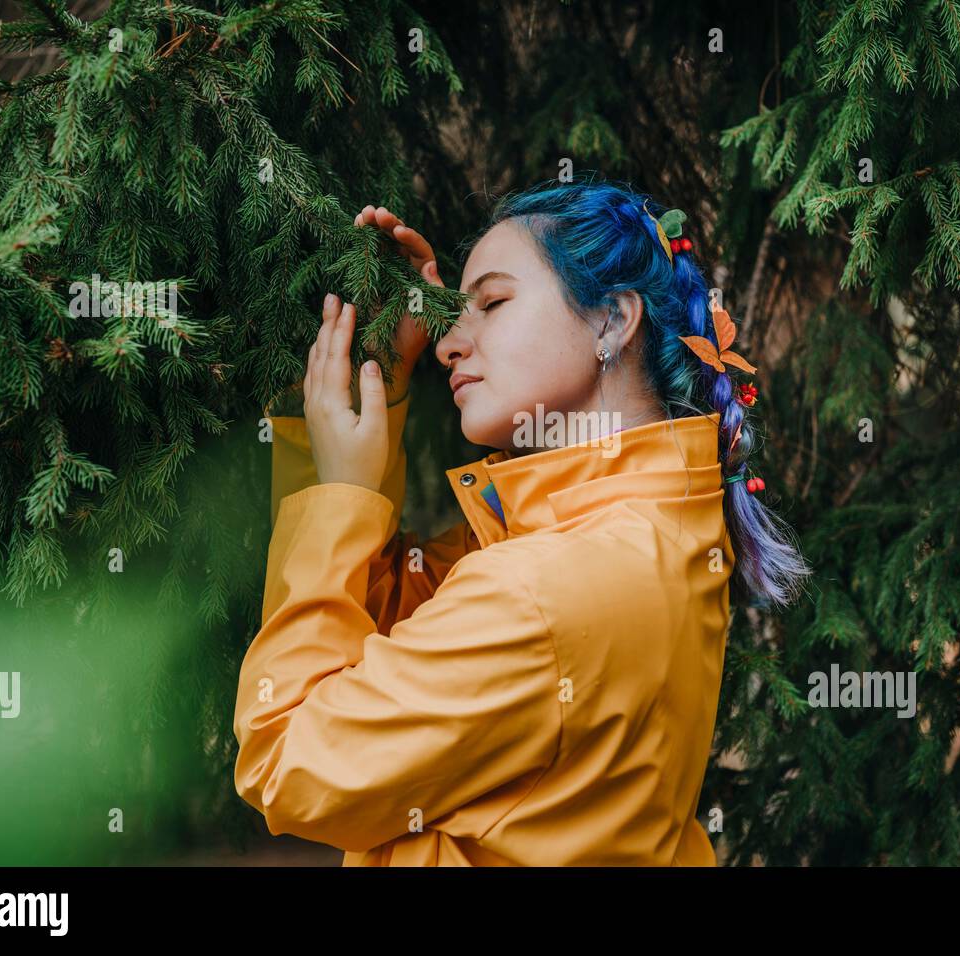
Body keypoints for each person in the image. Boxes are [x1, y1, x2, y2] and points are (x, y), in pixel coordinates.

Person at [232, 178, 811, 865]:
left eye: (494, 303)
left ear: (612, 321)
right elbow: (381, 626)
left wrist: (342, 495)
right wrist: (378, 384)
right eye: (456, 310)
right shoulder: (654, 522)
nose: (449, 343)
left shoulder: (539, 590)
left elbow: (287, 758)